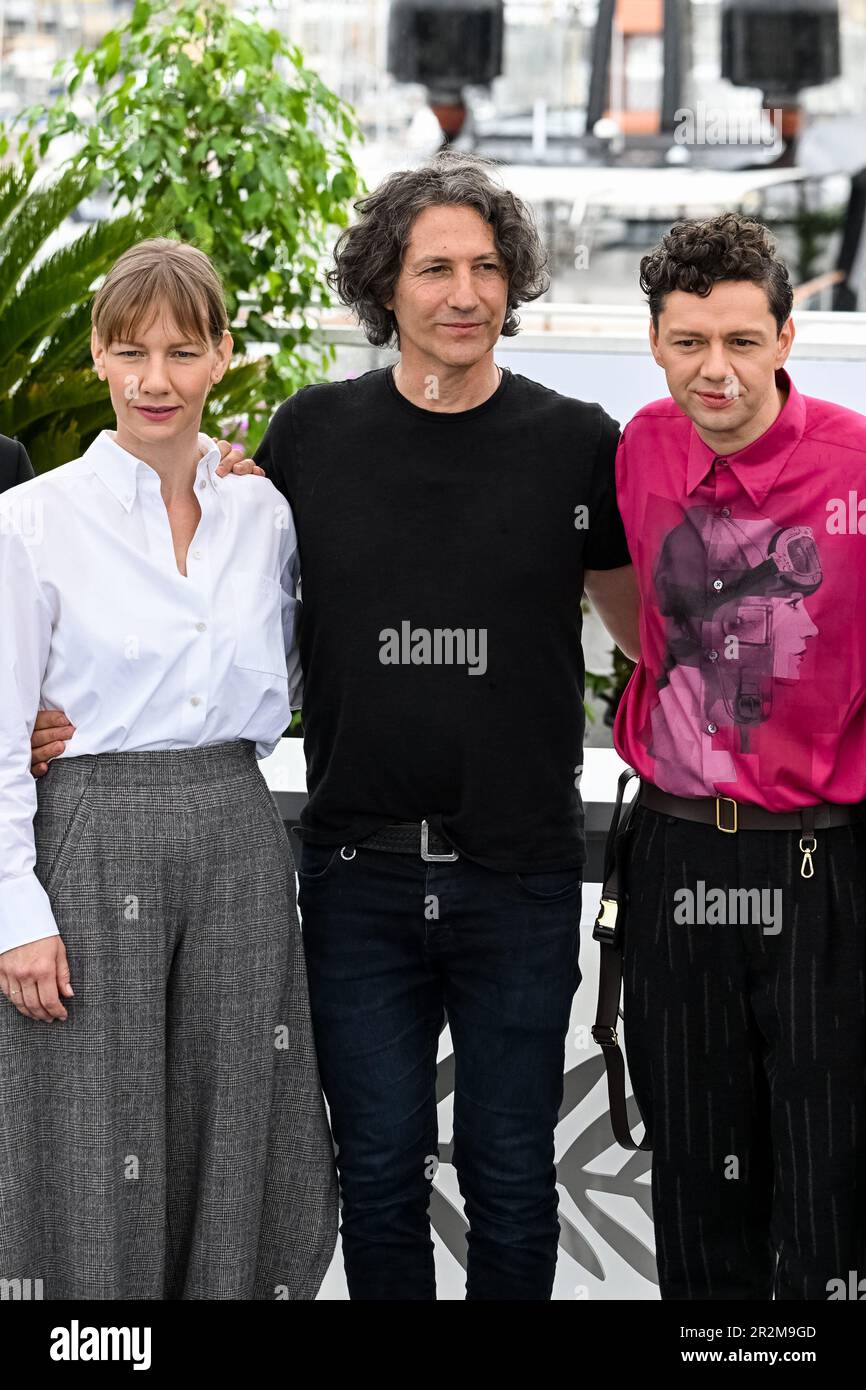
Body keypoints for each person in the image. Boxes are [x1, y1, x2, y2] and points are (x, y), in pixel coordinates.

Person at [189, 150, 638, 1300]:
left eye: (486, 267)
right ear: (384, 285)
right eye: (434, 268)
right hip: (357, 874)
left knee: (511, 1177)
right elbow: (205, 600)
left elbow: (646, 634)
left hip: (521, 875)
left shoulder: (578, 442)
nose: (464, 293)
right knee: (379, 1177)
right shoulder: (309, 436)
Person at [1, 237, 337, 1299]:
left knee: (237, 1109)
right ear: (98, 355)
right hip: (89, 835)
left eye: (183, 352)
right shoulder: (32, 520)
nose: (156, 379)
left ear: (221, 356)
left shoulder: (264, 514)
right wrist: (15, 911)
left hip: (236, 826)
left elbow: (294, 676)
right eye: (131, 351)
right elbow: (2, 735)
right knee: (90, 1122)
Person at [612, 212, 866, 1299]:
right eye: (687, 341)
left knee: (827, 1192)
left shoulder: (857, 467)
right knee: (694, 1190)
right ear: (655, 342)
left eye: (740, 341)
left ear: (785, 338)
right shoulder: (639, 446)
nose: (713, 370)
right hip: (674, 856)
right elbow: (629, 610)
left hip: (819, 866)